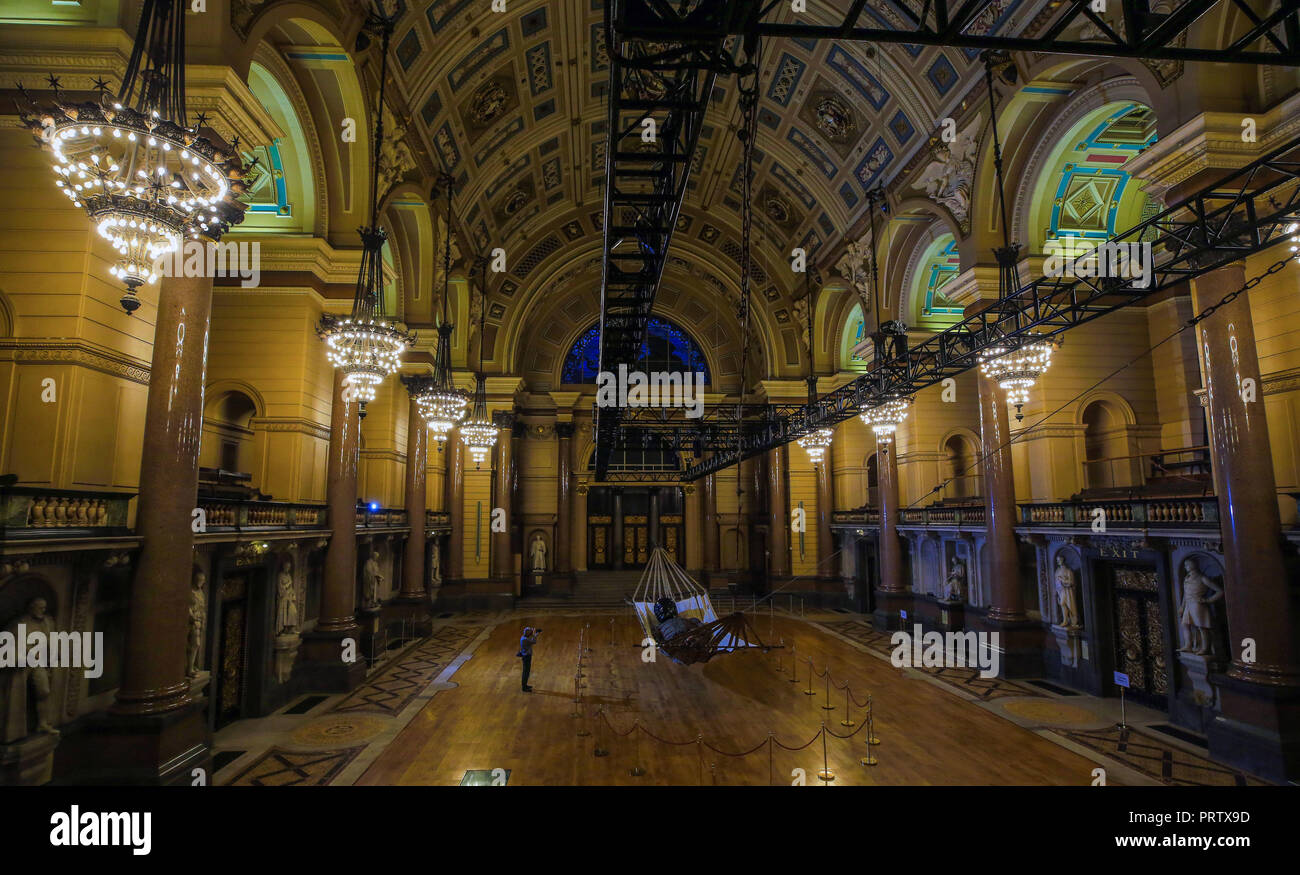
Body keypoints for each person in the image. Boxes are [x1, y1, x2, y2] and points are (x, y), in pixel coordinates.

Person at [518, 626, 541, 692]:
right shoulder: (524, 639)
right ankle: (524, 687)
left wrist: (535, 634)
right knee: (526, 672)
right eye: (530, 632)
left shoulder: (524, 637)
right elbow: (534, 641)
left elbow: (532, 640)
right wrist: (534, 634)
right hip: (526, 657)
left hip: (526, 656)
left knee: (527, 672)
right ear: (527, 633)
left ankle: (525, 685)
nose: (531, 633)